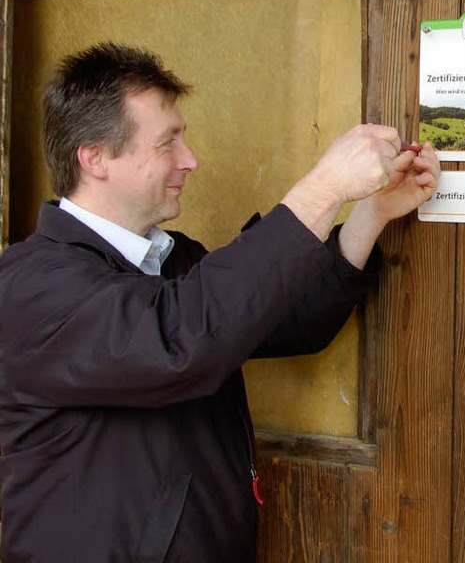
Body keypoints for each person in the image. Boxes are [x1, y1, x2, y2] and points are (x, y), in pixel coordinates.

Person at [0, 42, 440, 562]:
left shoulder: (174, 259)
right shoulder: (31, 286)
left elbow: (283, 318)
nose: (190, 160)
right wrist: (323, 189)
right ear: (95, 157)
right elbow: (181, 340)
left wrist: (372, 213)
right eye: (168, 144)